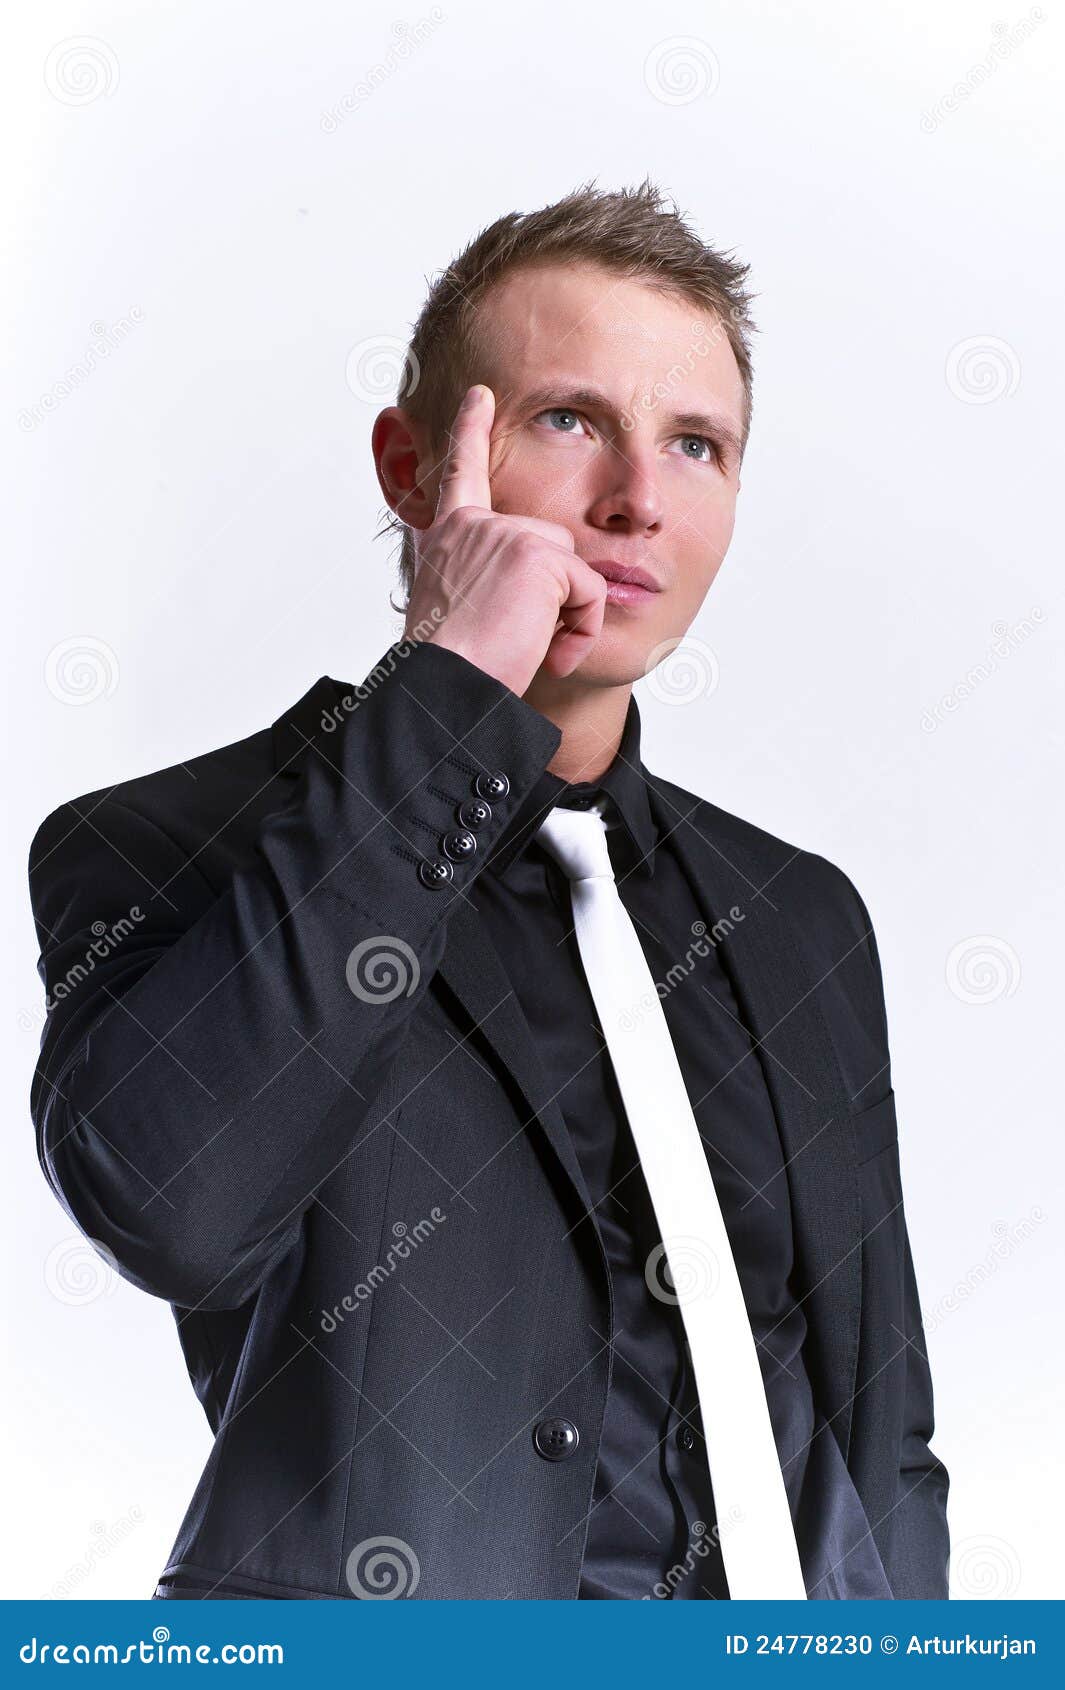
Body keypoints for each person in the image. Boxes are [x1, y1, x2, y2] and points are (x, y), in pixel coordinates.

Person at [27, 180, 949, 1600]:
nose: (639, 497)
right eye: (571, 420)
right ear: (412, 468)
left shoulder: (799, 917)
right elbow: (175, 1212)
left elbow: (883, 1432)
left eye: (694, 443)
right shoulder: (161, 845)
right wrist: (449, 690)